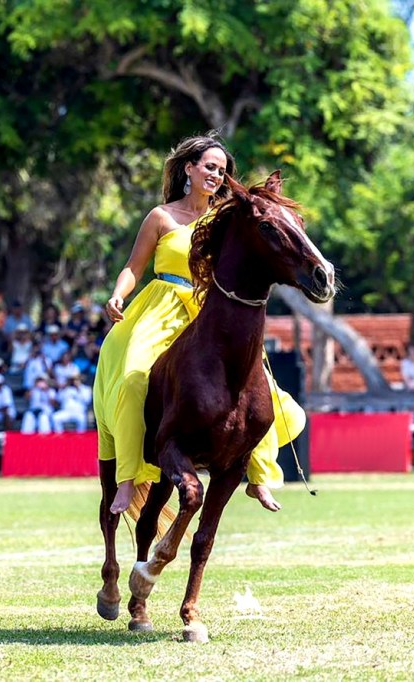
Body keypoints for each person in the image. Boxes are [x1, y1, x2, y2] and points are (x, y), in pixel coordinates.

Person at [93, 135, 303, 515]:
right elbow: (132, 267)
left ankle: (259, 477)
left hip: (210, 310)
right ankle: (127, 478)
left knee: (266, 394)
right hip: (161, 308)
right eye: (209, 166)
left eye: (222, 171)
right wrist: (117, 295)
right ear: (188, 168)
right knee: (133, 378)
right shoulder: (161, 216)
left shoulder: (225, 216)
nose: (216, 175)